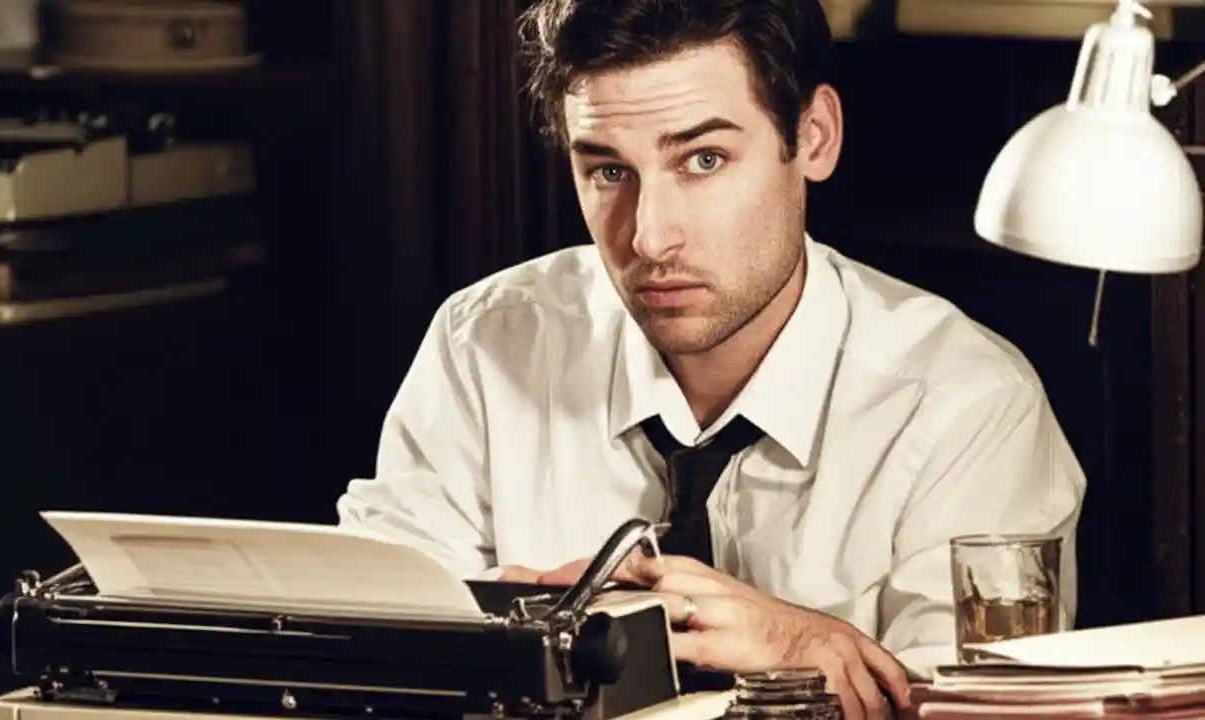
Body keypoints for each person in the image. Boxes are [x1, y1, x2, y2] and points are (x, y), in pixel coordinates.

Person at [337, 0, 1086, 717]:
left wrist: (797, 647)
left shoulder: (966, 404)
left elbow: (987, 709)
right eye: (607, 171)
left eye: (703, 159)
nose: (650, 238)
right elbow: (364, 635)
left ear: (815, 137)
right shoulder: (488, 343)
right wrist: (518, 624)